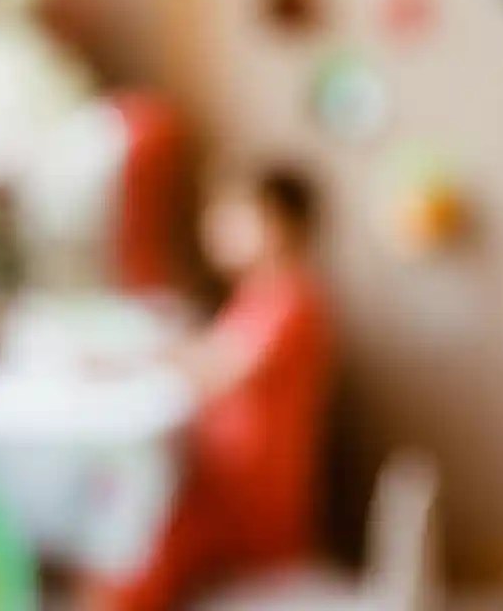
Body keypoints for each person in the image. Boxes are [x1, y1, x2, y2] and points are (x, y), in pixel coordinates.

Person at [94, 168, 331, 610]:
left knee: (130, 567)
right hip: (219, 486)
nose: (218, 226)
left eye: (236, 214)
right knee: (123, 546)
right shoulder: (258, 295)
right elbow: (209, 354)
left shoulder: (292, 298)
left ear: (279, 225)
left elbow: (220, 368)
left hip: (245, 502)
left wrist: (139, 358)